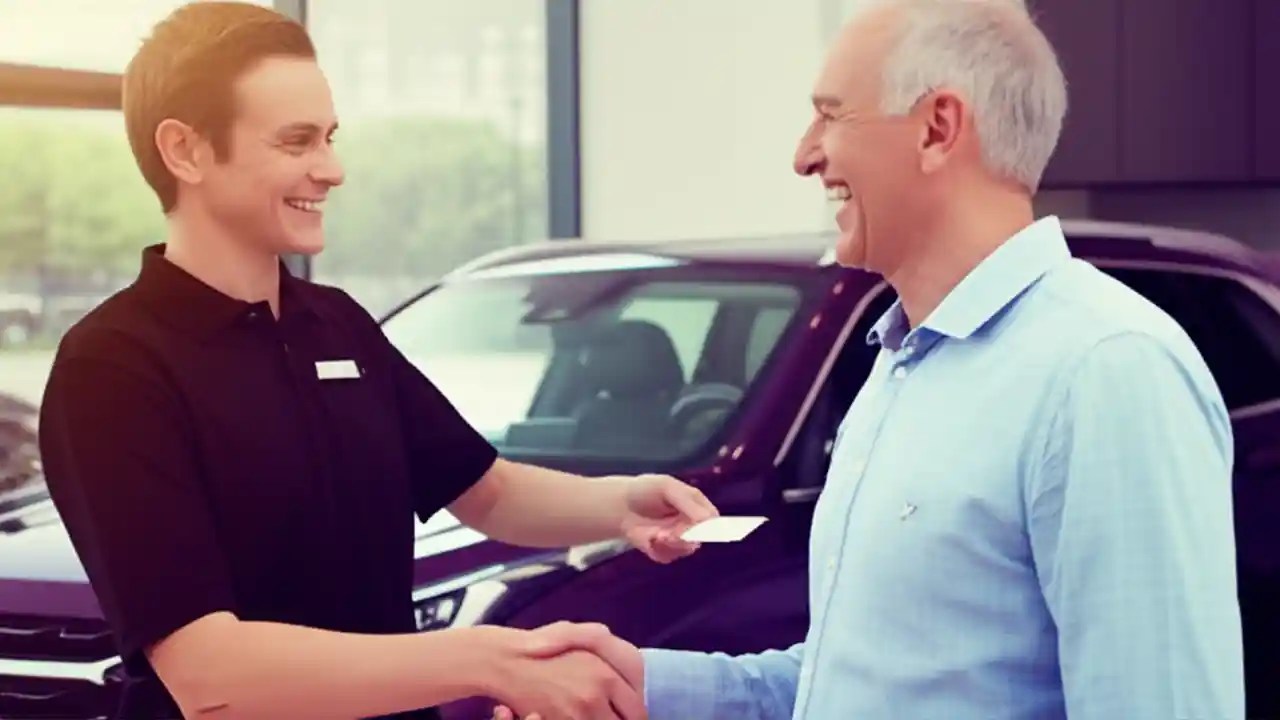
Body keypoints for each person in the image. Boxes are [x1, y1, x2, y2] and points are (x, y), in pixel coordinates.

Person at [495, 0, 1247, 718]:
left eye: (830, 114)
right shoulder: (899, 365)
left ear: (937, 129)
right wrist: (646, 686)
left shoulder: (1106, 370)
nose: (803, 155)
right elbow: (853, 687)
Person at [36, 3, 717, 719]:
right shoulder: (112, 369)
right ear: (186, 151)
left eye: (329, 138)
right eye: (297, 142)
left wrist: (621, 504)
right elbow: (213, 679)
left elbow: (489, 491)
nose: (332, 170)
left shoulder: (338, 325)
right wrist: (488, 661)